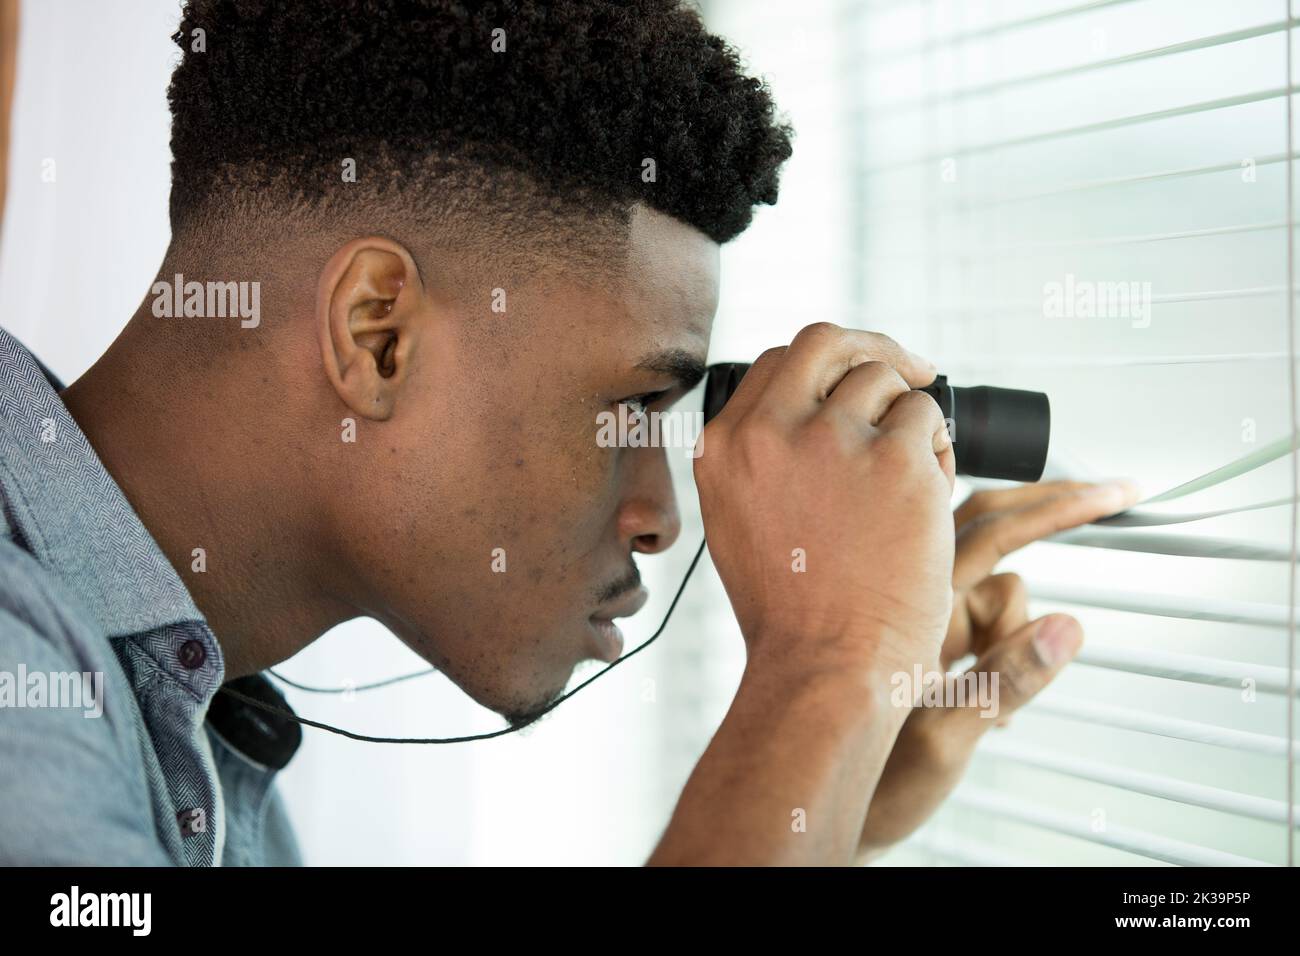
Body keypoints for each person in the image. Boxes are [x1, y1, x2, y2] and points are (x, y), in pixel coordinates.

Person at [0, 0, 1138, 866]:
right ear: (376, 332)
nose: (659, 517)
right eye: (634, 406)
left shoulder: (194, 732)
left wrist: (829, 790)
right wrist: (829, 671)